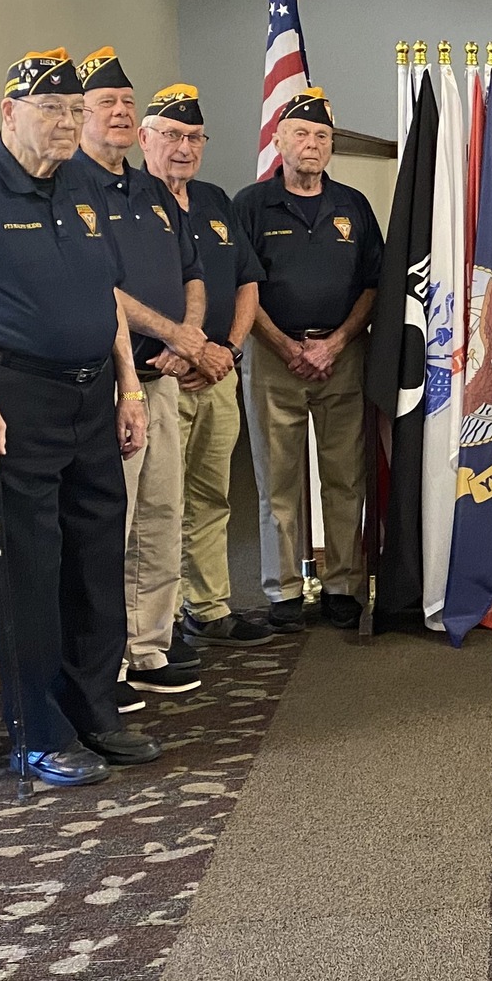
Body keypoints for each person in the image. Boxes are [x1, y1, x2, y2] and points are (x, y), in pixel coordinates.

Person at [0, 48, 156, 787]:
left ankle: (95, 711)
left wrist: (128, 386)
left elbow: (106, 293)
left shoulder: (81, 182)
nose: (69, 124)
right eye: (52, 112)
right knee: (30, 571)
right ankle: (37, 732)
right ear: (9, 113)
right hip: (11, 400)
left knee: (97, 558)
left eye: (76, 112)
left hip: (88, 399)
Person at [67, 48, 209, 707]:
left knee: (161, 516)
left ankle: (149, 649)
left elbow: (193, 271)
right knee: (111, 526)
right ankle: (107, 664)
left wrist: (191, 338)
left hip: (166, 379)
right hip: (110, 388)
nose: (121, 112)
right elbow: (102, 287)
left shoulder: (151, 188)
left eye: (128, 101)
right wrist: (175, 331)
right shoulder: (71, 186)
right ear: (82, 116)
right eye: (107, 104)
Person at [233, 89, 384, 633]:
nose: (312, 144)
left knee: (345, 476)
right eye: (301, 133)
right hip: (273, 357)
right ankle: (284, 590)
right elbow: (240, 287)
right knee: (278, 479)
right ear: (278, 139)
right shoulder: (249, 206)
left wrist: (337, 342)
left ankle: (344, 584)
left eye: (322, 136)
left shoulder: (353, 206)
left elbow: (374, 283)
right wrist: (286, 346)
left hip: (341, 356)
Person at [137, 85, 272, 649]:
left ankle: (209, 607)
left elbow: (247, 280)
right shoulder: (130, 201)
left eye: (194, 137)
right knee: (156, 507)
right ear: (145, 137)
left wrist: (230, 352)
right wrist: (183, 351)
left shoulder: (216, 200)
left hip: (218, 372)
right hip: (157, 374)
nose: (184, 147)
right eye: (171, 135)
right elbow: (120, 288)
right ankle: (152, 626)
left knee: (212, 496)